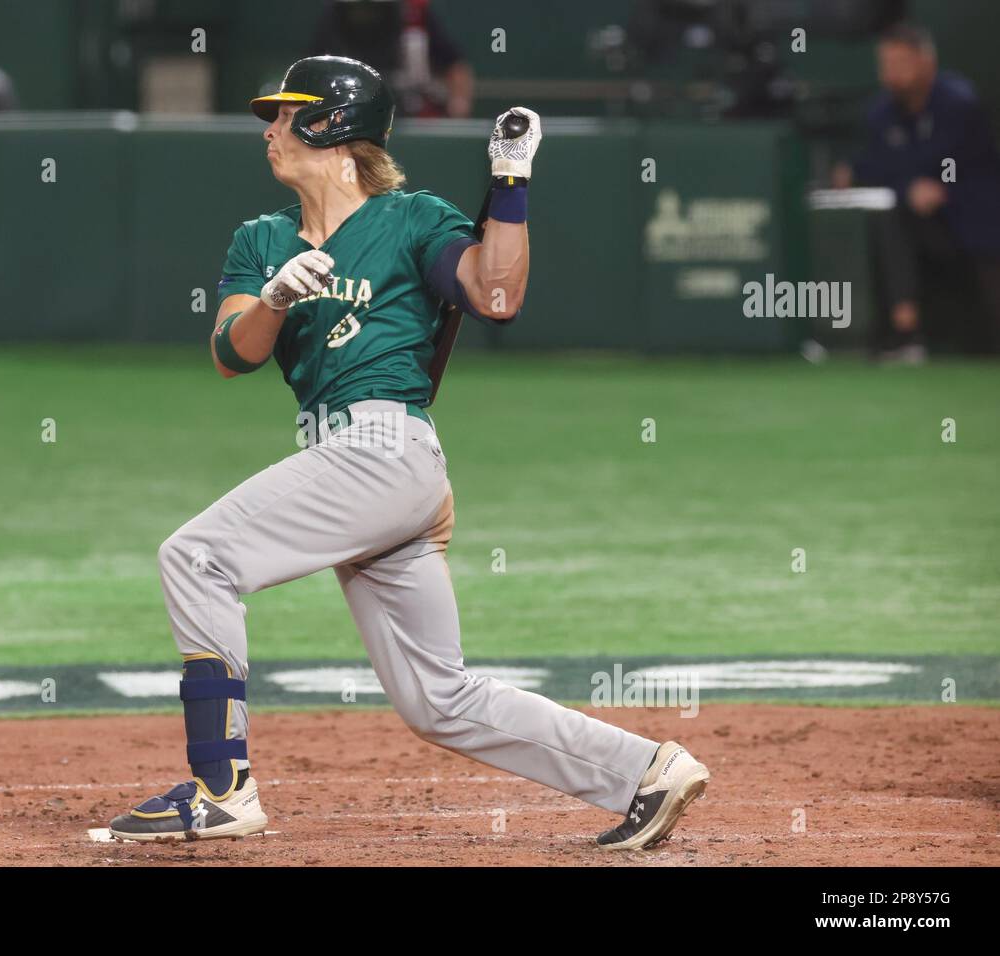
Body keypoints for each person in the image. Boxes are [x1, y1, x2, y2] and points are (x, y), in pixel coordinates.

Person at [107, 55, 709, 851]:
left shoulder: (411, 220)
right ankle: (647, 770)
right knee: (438, 700)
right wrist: (277, 297)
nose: (270, 129)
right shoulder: (261, 240)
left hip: (387, 449)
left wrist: (511, 183)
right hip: (355, 466)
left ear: (330, 124)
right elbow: (230, 351)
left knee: (196, 558)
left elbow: (496, 296)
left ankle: (221, 789)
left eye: (284, 115)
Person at [834, 22, 1000, 360]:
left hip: (976, 225)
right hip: (925, 228)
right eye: (886, 65)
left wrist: (938, 187)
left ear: (927, 63)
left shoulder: (959, 105)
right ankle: (905, 333)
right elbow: (873, 165)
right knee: (891, 213)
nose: (891, 74)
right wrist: (908, 184)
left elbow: (943, 163)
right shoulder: (881, 114)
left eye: (901, 63)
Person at [309, 0, 473, 117]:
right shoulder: (332, 16)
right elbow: (311, 73)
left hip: (413, 116)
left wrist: (458, 105)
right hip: (348, 119)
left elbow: (455, 67)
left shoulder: (416, 14)